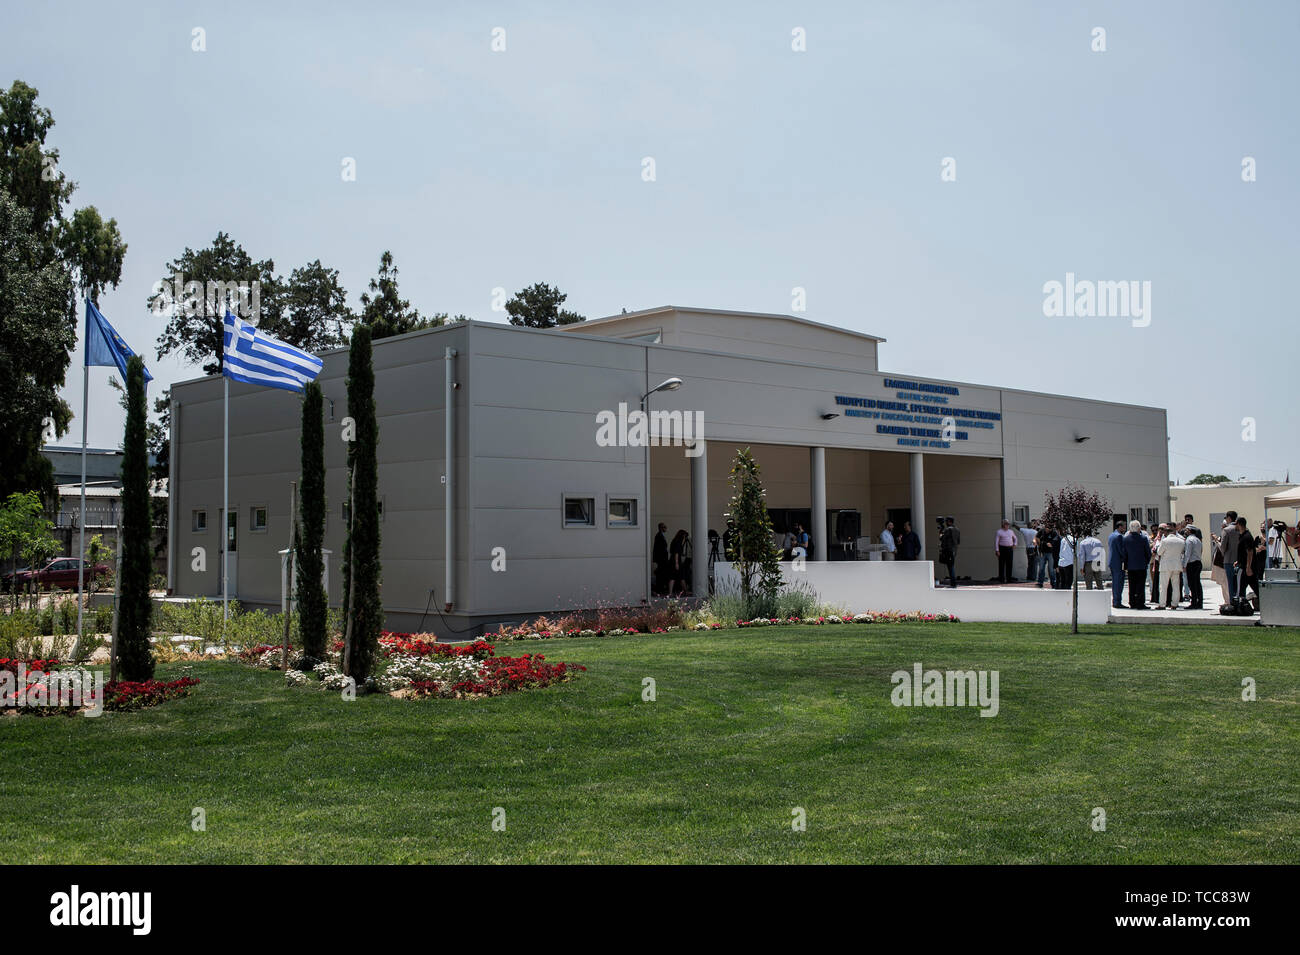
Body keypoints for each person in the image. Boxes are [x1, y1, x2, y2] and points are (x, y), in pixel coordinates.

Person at [1122, 520, 1152, 609]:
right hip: (1141, 565)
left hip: (1131, 566)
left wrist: (1126, 564)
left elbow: (1124, 553)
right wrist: (1146, 561)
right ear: (1138, 528)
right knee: (1140, 585)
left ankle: (1132, 602)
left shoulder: (1126, 539)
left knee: (1132, 585)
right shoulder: (1143, 538)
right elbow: (1148, 552)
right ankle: (1140, 603)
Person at [1156, 525, 1186, 610]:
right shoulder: (1181, 541)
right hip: (1177, 565)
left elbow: (1159, 552)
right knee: (1176, 586)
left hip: (1166, 566)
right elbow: (1182, 552)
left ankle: (1162, 604)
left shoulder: (1165, 541)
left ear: (1166, 533)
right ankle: (1175, 604)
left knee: (1163, 586)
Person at [1219, 511, 1241, 606]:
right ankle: (1240, 600)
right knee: (1239, 583)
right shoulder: (1241, 528)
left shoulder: (1227, 530)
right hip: (1240, 559)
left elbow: (1223, 546)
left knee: (1230, 583)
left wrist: (1217, 542)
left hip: (1229, 559)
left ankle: (1232, 602)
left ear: (1229, 518)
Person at [1182, 525, 1204, 610]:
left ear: (1190, 531)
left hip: (1192, 564)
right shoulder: (1198, 540)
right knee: (1197, 584)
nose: (1185, 531)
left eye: (1187, 530)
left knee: (1192, 584)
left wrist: (1184, 565)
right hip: (1198, 562)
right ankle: (1199, 602)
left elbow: (1187, 554)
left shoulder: (1189, 540)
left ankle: (1194, 602)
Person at [1107, 520, 1126, 608]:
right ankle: (1117, 602)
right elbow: (1121, 550)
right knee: (1118, 583)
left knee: (1115, 582)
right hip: (1118, 562)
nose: (1124, 528)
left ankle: (1115, 601)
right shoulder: (1119, 536)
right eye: (1123, 526)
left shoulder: (1111, 535)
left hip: (1112, 562)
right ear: (1120, 527)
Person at [1037, 523, 1059, 589]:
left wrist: (1051, 544)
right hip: (1042, 552)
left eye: (1048, 529)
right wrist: (1038, 544)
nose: (1047, 530)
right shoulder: (1041, 531)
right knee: (1041, 568)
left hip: (1051, 553)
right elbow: (1037, 537)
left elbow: (1055, 541)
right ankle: (1040, 582)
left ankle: (1053, 583)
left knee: (1051, 569)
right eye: (1046, 528)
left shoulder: (1054, 533)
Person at [939, 517, 960, 587]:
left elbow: (941, 538)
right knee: (951, 565)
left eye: (946, 521)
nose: (945, 523)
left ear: (949, 522)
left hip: (948, 550)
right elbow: (958, 541)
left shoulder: (948, 529)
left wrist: (941, 533)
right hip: (954, 551)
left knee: (950, 567)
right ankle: (953, 582)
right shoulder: (957, 530)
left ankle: (953, 583)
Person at [668, 529, 690, 596]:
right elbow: (676, 553)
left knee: (673, 577)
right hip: (676, 561)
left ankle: (670, 593)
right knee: (681, 577)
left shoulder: (674, 541)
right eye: (684, 536)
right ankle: (685, 591)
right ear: (682, 536)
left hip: (672, 561)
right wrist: (677, 563)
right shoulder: (678, 542)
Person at [652, 523, 670, 596]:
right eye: (664, 527)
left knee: (661, 573)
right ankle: (659, 588)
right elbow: (658, 549)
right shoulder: (659, 536)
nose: (666, 528)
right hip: (661, 559)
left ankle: (660, 588)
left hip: (662, 559)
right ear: (661, 528)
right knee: (660, 574)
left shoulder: (661, 535)